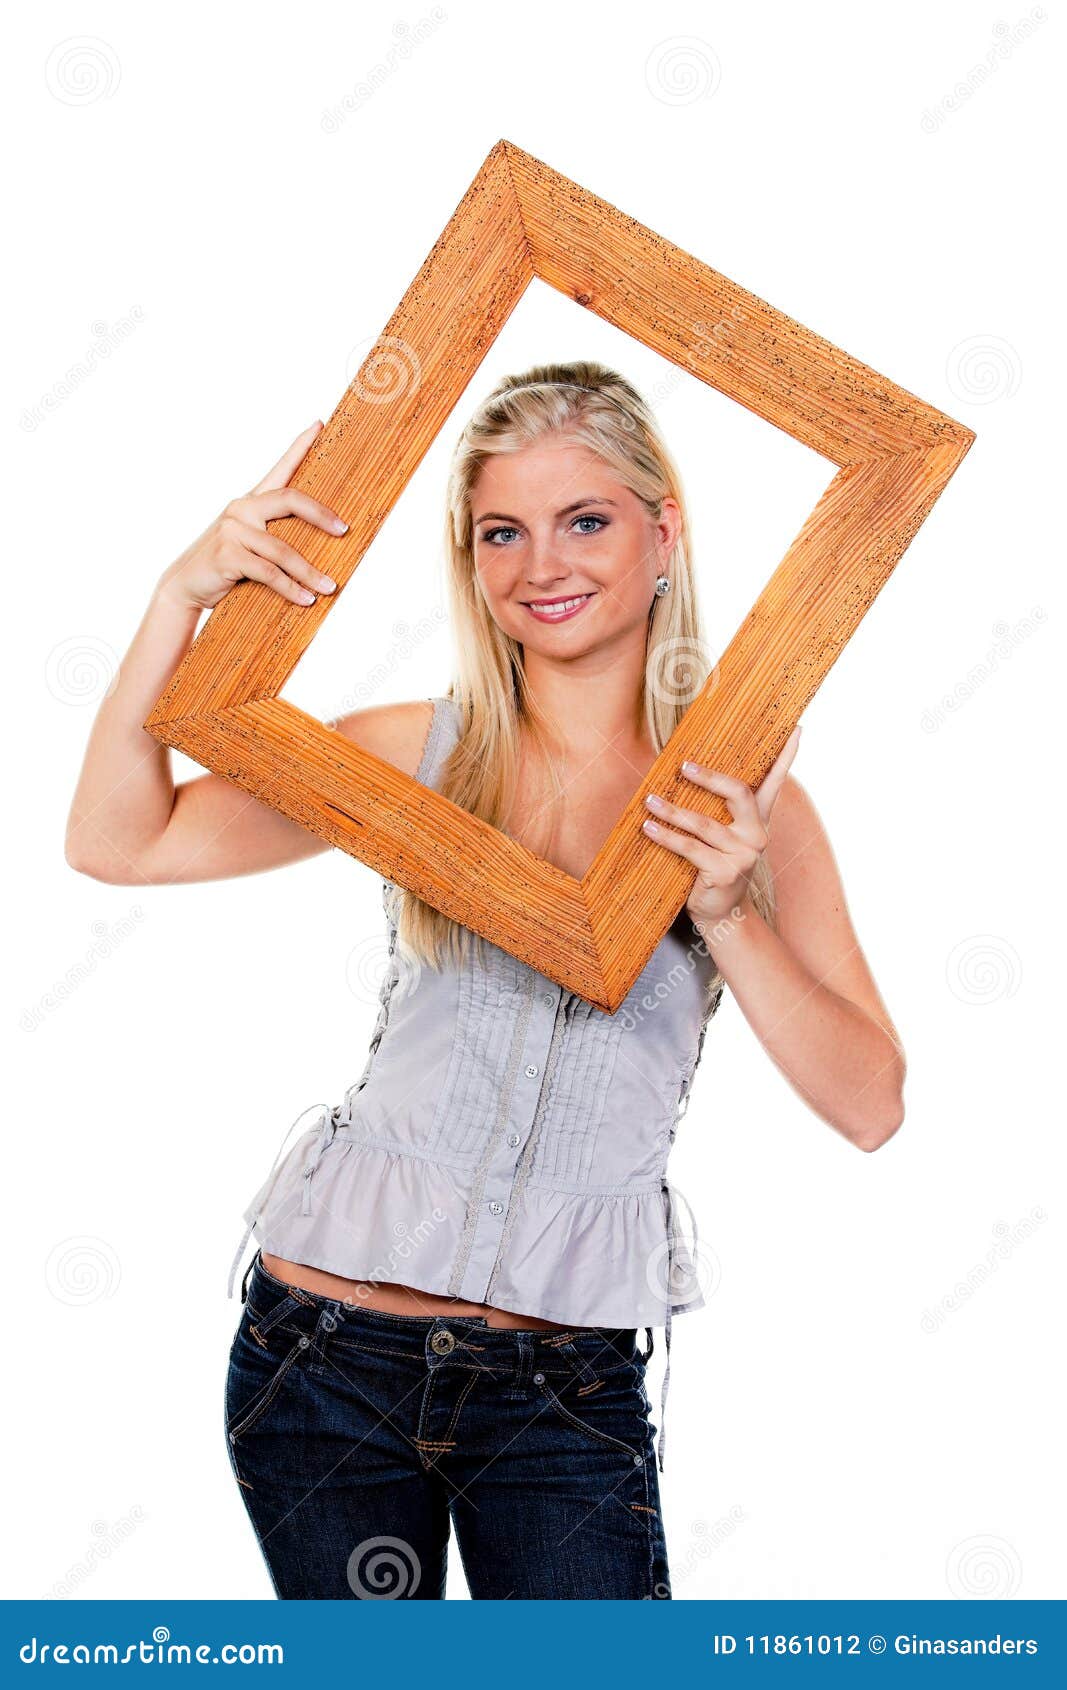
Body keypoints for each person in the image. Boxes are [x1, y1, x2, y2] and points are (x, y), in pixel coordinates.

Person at [64, 361, 907, 1600]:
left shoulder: (749, 815)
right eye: (499, 532)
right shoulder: (415, 753)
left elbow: (870, 1102)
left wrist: (725, 913)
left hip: (559, 1393)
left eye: (585, 521)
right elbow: (118, 840)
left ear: (662, 529)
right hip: (325, 1358)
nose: (539, 566)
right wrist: (175, 599)